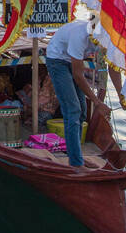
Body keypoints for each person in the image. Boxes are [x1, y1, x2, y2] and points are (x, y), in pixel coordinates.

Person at [44, 14, 105, 167]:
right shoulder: (80, 35)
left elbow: (109, 69)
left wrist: (120, 96)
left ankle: (76, 155)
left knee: (83, 110)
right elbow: (78, 76)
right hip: (57, 60)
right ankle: (76, 163)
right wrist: (97, 102)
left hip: (71, 60)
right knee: (73, 110)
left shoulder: (105, 38)